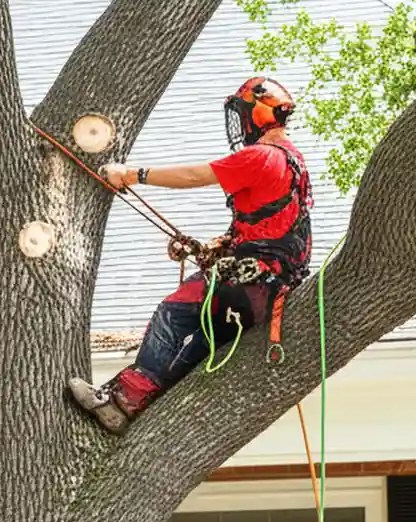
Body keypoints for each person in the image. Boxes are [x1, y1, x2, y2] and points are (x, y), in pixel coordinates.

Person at [67, 77, 314, 435]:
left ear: (256, 115)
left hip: (250, 282)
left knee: (173, 313)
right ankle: (142, 412)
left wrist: (132, 175)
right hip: (269, 286)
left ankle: (124, 399)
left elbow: (196, 175)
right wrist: (212, 246)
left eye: (242, 114)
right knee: (198, 346)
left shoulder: (261, 155)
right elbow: (265, 227)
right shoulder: (294, 164)